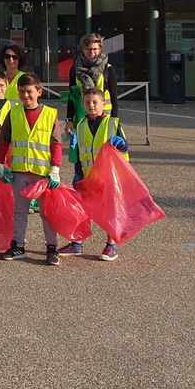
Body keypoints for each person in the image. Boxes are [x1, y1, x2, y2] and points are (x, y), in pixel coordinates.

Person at [0, 73, 64, 266]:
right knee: (20, 211)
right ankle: (19, 245)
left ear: (39, 92)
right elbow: (4, 140)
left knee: (47, 212)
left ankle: (52, 247)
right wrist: (0, 164)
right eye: (22, 92)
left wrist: (55, 168)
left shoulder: (50, 114)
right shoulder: (14, 113)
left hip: (42, 174)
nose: (26, 96)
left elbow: (56, 143)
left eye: (30, 92)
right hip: (20, 171)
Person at [60, 86, 130, 261]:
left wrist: (120, 142)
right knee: (81, 209)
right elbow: (80, 152)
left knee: (110, 211)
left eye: (95, 102)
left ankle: (110, 246)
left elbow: (124, 147)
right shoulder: (81, 124)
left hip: (109, 176)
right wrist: (78, 172)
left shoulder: (113, 123)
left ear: (103, 104)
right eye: (87, 102)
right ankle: (77, 243)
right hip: (86, 174)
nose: (91, 105)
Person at [68, 32, 118, 124]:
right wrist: (69, 119)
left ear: (100, 49)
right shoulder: (75, 69)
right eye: (88, 49)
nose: (92, 52)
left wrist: (114, 120)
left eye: (95, 49)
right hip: (81, 117)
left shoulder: (108, 69)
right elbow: (72, 96)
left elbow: (114, 97)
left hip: (104, 117)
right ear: (82, 49)